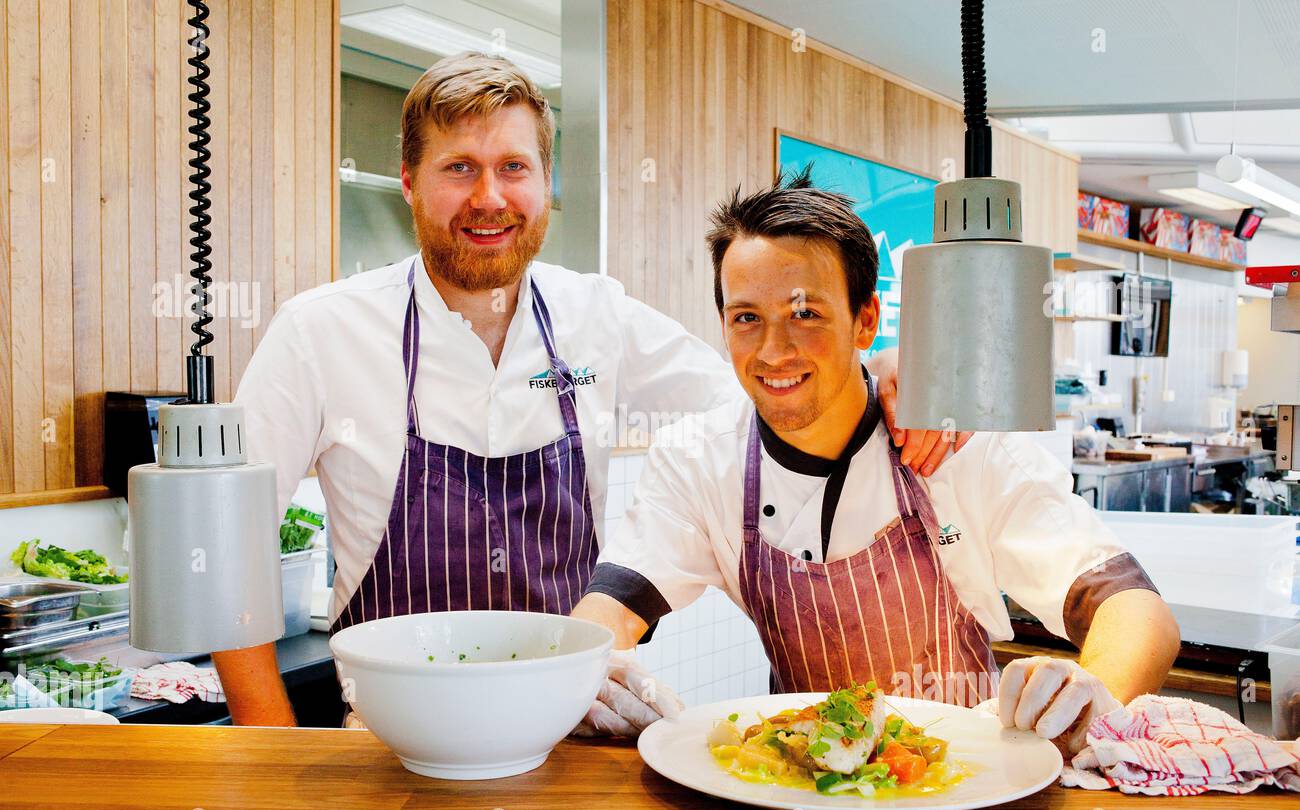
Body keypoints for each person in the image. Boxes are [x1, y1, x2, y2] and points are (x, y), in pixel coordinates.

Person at [218, 53, 955, 728]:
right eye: (458, 169)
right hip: (392, 742)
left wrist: (878, 365)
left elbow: (764, 396)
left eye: (513, 167)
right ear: (410, 181)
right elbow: (229, 547)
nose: (488, 197)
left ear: (544, 186)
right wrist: (273, 752)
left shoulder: (596, 316)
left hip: (571, 728)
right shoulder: (319, 333)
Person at [571, 171, 1181, 754]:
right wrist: (585, 672)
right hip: (800, 783)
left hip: (970, 776)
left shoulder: (951, 445)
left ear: (866, 320)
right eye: (747, 319)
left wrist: (1092, 691)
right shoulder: (699, 460)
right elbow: (612, 608)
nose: (774, 350)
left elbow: (1136, 609)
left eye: (805, 314)